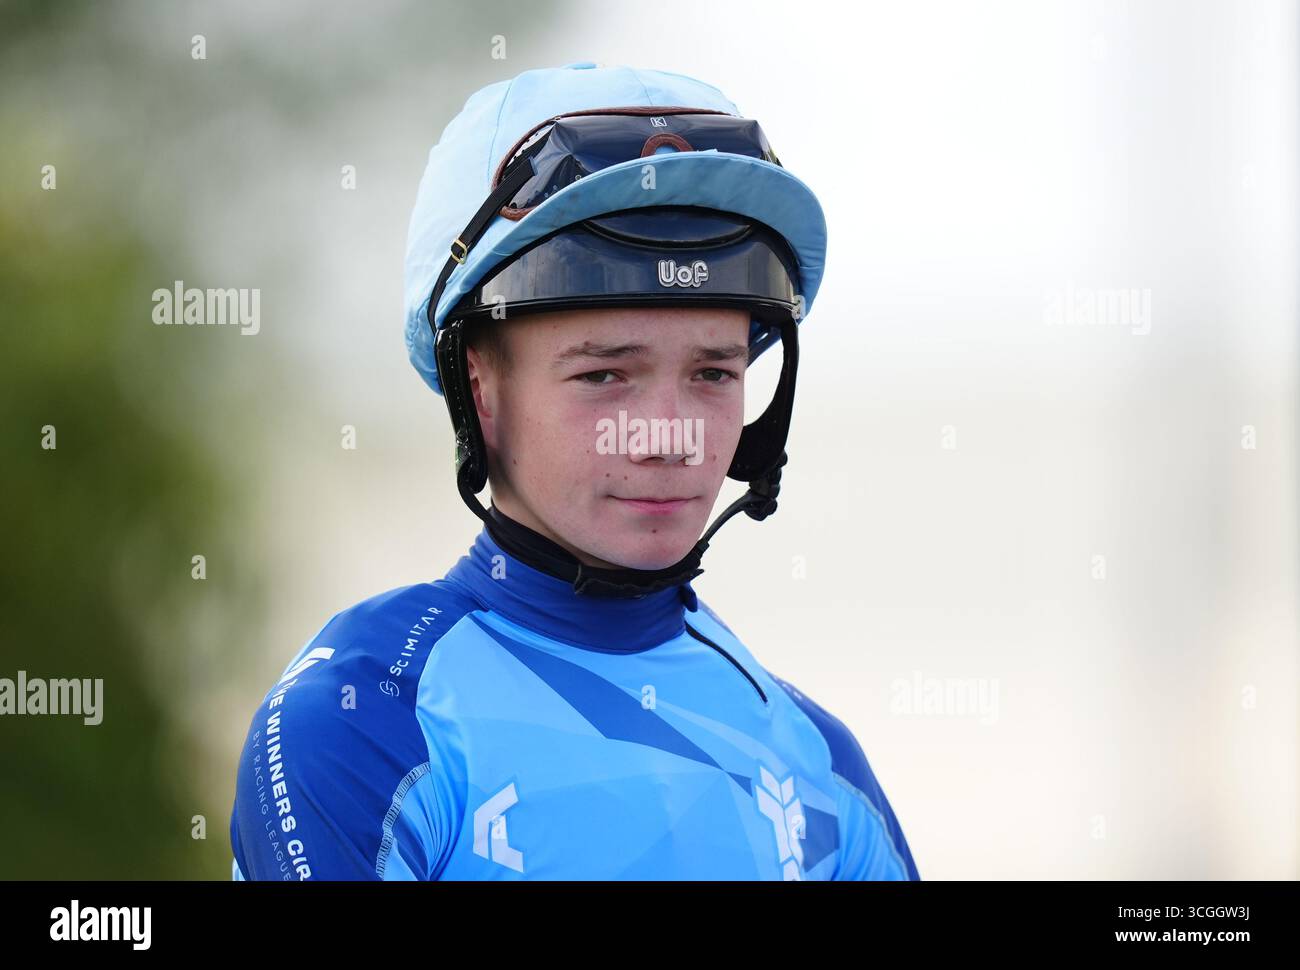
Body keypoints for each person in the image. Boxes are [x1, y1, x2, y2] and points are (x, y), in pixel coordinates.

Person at [229, 61, 920, 881]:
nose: (669, 436)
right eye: (604, 375)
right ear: (479, 387)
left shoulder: (827, 772)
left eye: (713, 374)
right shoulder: (361, 720)